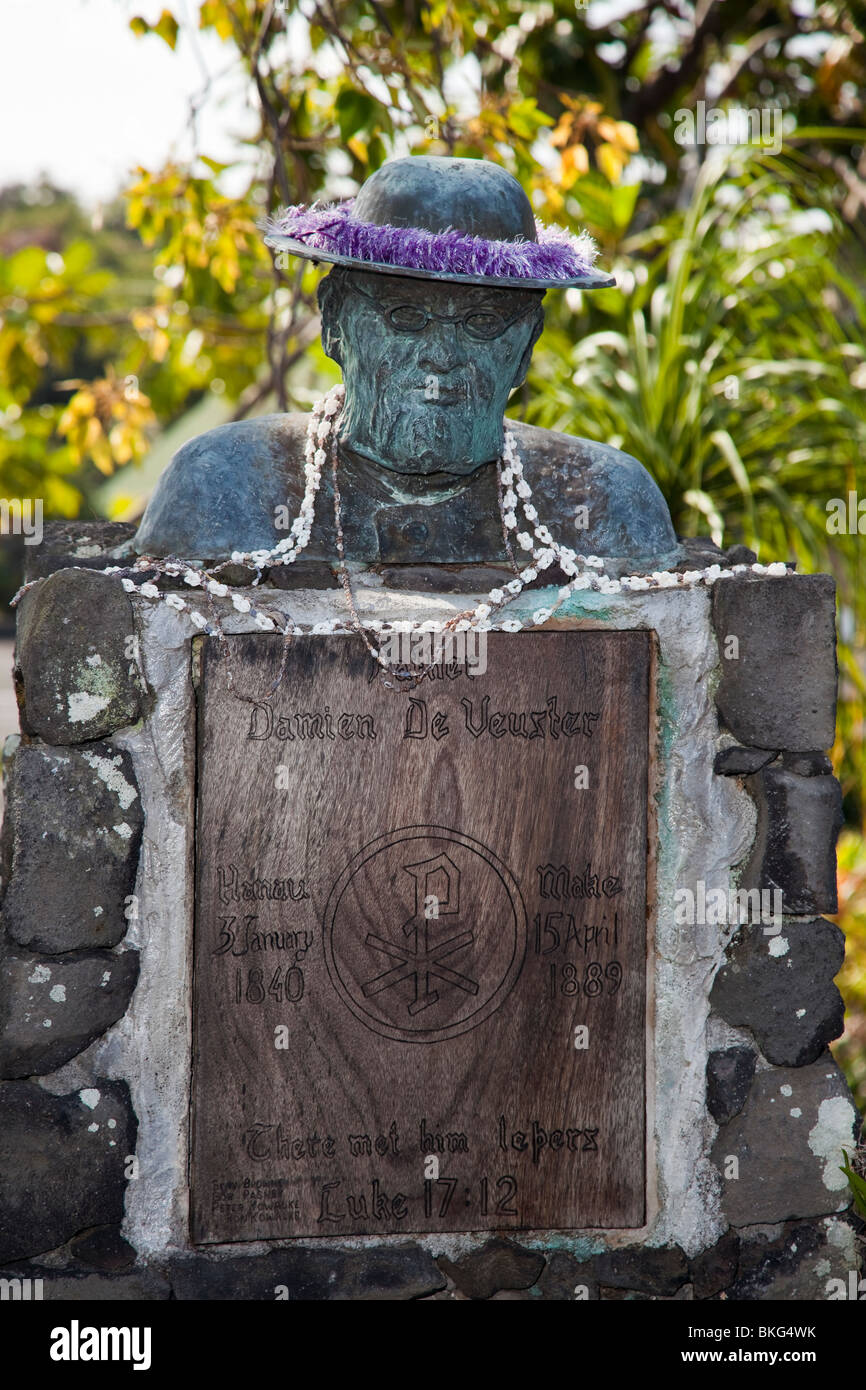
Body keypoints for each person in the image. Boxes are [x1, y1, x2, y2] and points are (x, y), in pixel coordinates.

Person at [133, 155, 680, 571]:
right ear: (334, 323)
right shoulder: (224, 491)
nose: (441, 355)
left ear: (526, 347)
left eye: (483, 323)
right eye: (405, 317)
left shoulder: (603, 506)